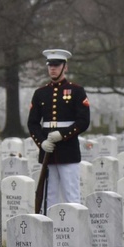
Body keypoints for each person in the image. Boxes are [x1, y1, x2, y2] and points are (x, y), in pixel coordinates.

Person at [27, 49, 90, 207]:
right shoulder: (40, 93)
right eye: (50, 65)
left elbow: (83, 121)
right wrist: (41, 142)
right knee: (49, 197)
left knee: (71, 195)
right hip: (48, 151)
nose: (52, 68)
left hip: (68, 150)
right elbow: (32, 123)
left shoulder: (76, 91)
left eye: (56, 65)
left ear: (65, 67)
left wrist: (62, 135)